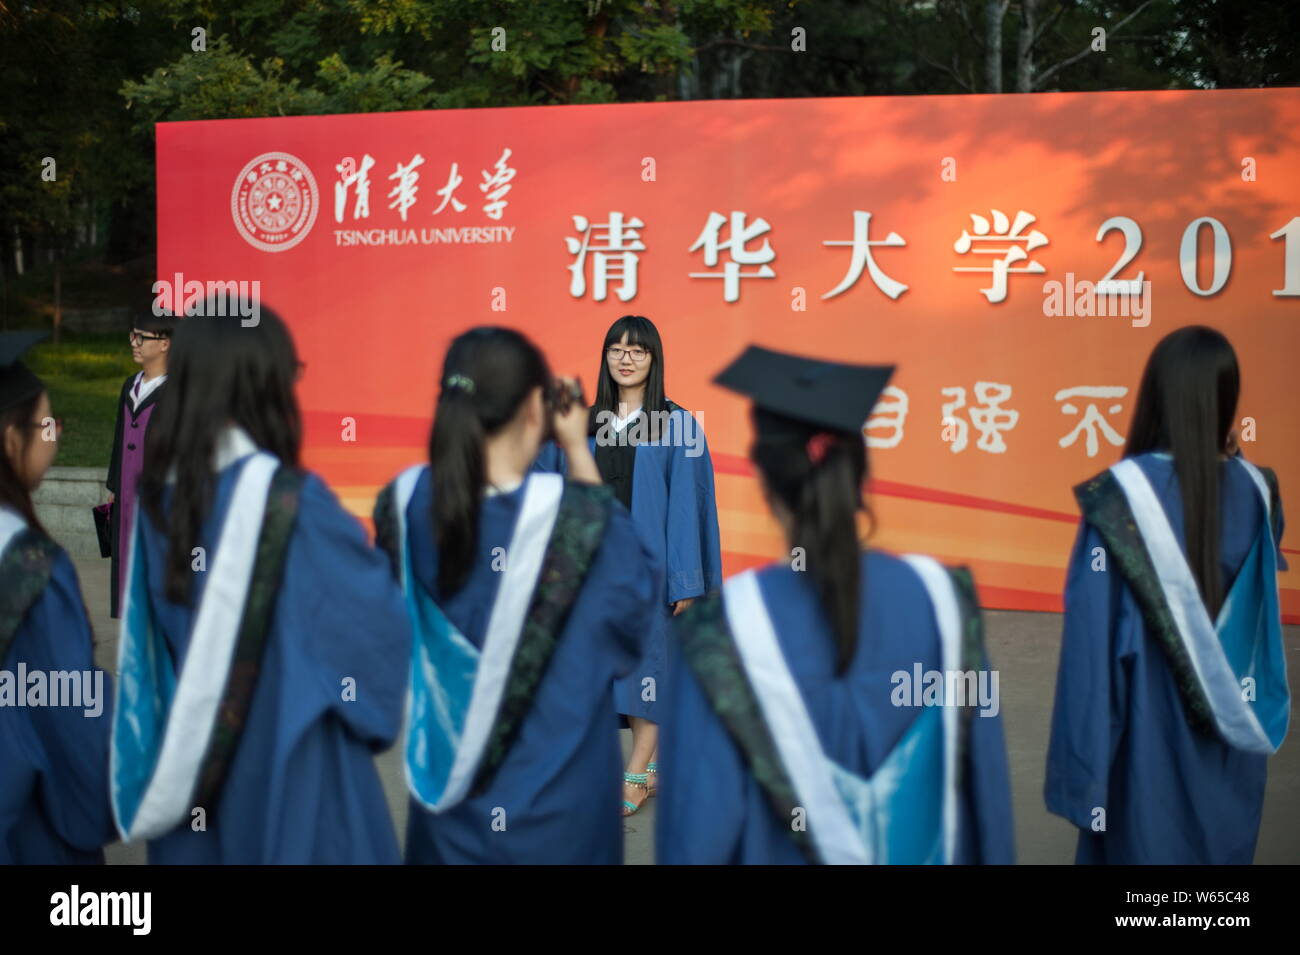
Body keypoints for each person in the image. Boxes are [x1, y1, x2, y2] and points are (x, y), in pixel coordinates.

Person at [656, 345, 1015, 864]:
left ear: (763, 477)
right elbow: (988, 808)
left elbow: (696, 834)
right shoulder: (945, 603)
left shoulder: (721, 629)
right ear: (860, 470)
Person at [112, 306, 409, 863]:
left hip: (193, 770)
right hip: (297, 772)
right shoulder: (294, 504)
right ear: (264, 383)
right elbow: (374, 635)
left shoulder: (163, 503)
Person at [374, 326, 661, 864]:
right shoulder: (576, 515)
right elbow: (632, 620)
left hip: (447, 803)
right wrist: (577, 446)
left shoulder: (404, 502)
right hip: (562, 807)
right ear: (538, 407)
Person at [1045, 326, 1289, 864]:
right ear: (1226, 402)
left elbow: (1092, 653)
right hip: (1231, 760)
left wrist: (1082, 779)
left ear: (1154, 396)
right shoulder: (1260, 493)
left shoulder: (1121, 500)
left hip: (1145, 758)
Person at [534, 315, 721, 816]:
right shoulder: (585, 422)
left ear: (654, 360)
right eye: (616, 349)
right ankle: (652, 769)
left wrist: (686, 579)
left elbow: (689, 507)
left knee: (649, 672)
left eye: (637, 350)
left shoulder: (676, 424)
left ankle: (635, 775)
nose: (625, 357)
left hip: (651, 573)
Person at [0, 331, 115, 864]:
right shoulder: (31, 567)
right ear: (9, 440)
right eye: (47, 424)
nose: (56, 436)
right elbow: (74, 721)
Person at [106, 308, 175, 618]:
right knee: (126, 566)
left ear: (164, 343)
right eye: (132, 336)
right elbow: (120, 439)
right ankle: (132, 654)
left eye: (141, 337)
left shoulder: (178, 392)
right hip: (127, 496)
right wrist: (114, 486)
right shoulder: (129, 386)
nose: (134, 343)